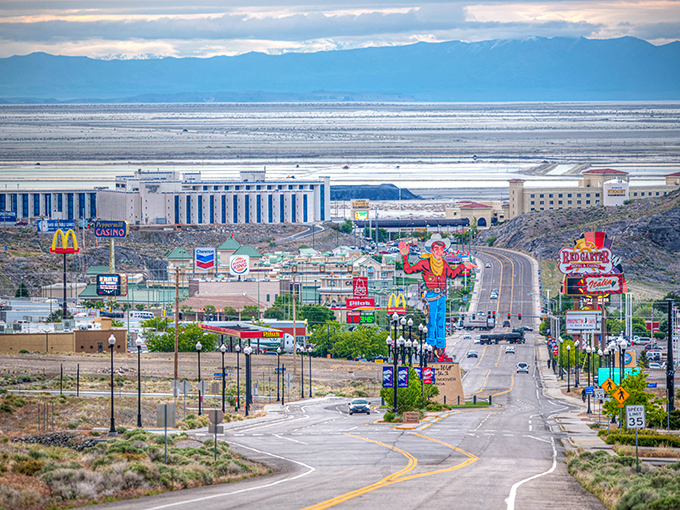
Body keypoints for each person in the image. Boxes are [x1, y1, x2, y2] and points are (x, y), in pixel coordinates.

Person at [399, 234, 464, 362]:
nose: (442, 252)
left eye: (443, 249)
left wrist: (463, 266)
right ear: (433, 250)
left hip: (442, 297)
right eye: (440, 249)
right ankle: (430, 352)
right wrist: (404, 256)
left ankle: (441, 352)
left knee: (441, 324)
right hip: (431, 297)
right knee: (431, 324)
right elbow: (408, 270)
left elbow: (452, 274)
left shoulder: (444, 264)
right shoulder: (425, 263)